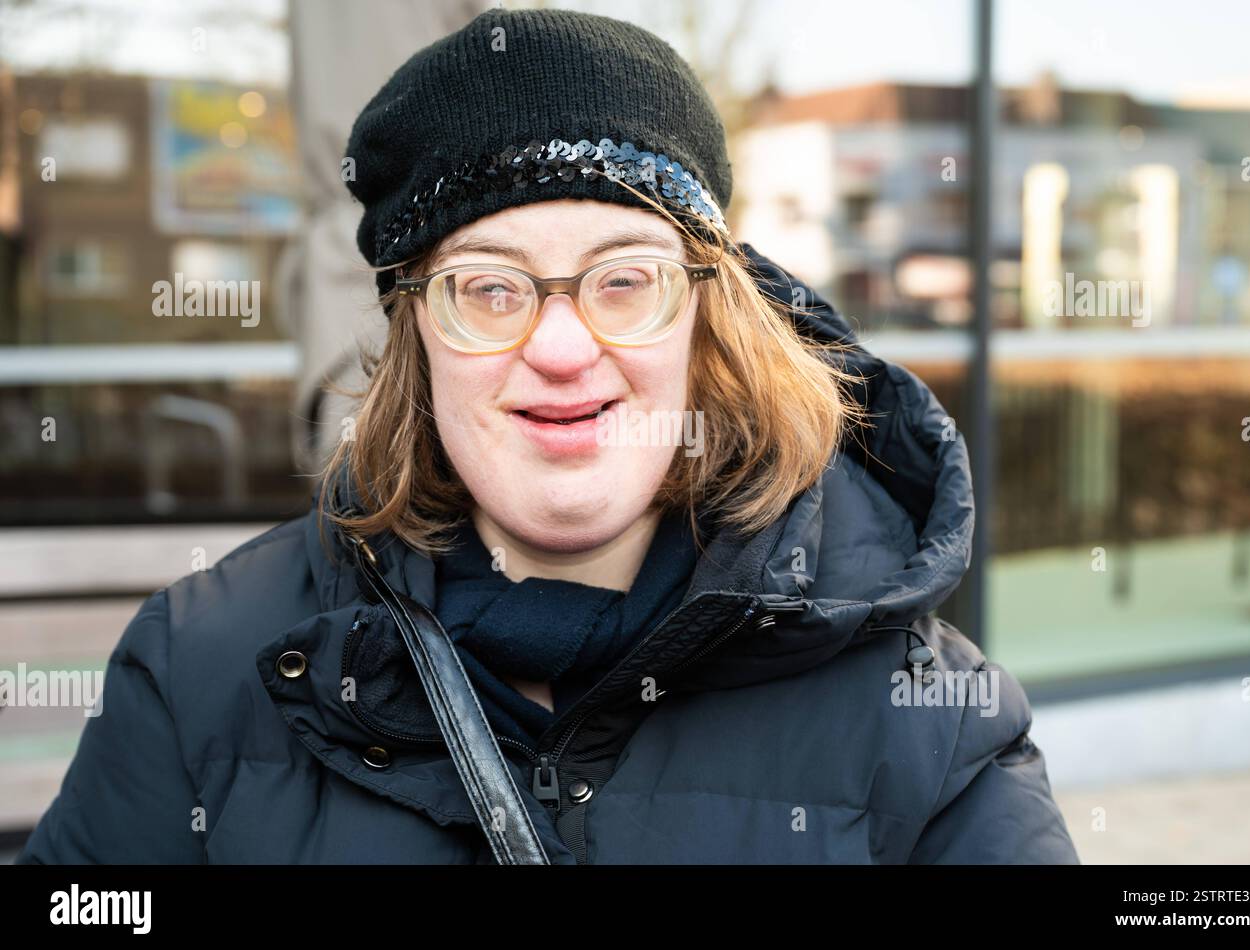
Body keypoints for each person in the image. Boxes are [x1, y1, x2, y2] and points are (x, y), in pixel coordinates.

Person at [18, 8, 1078, 864]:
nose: (563, 348)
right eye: (490, 287)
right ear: (415, 333)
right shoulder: (198, 667)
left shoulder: (930, 723)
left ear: (707, 318)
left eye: (626, 280)